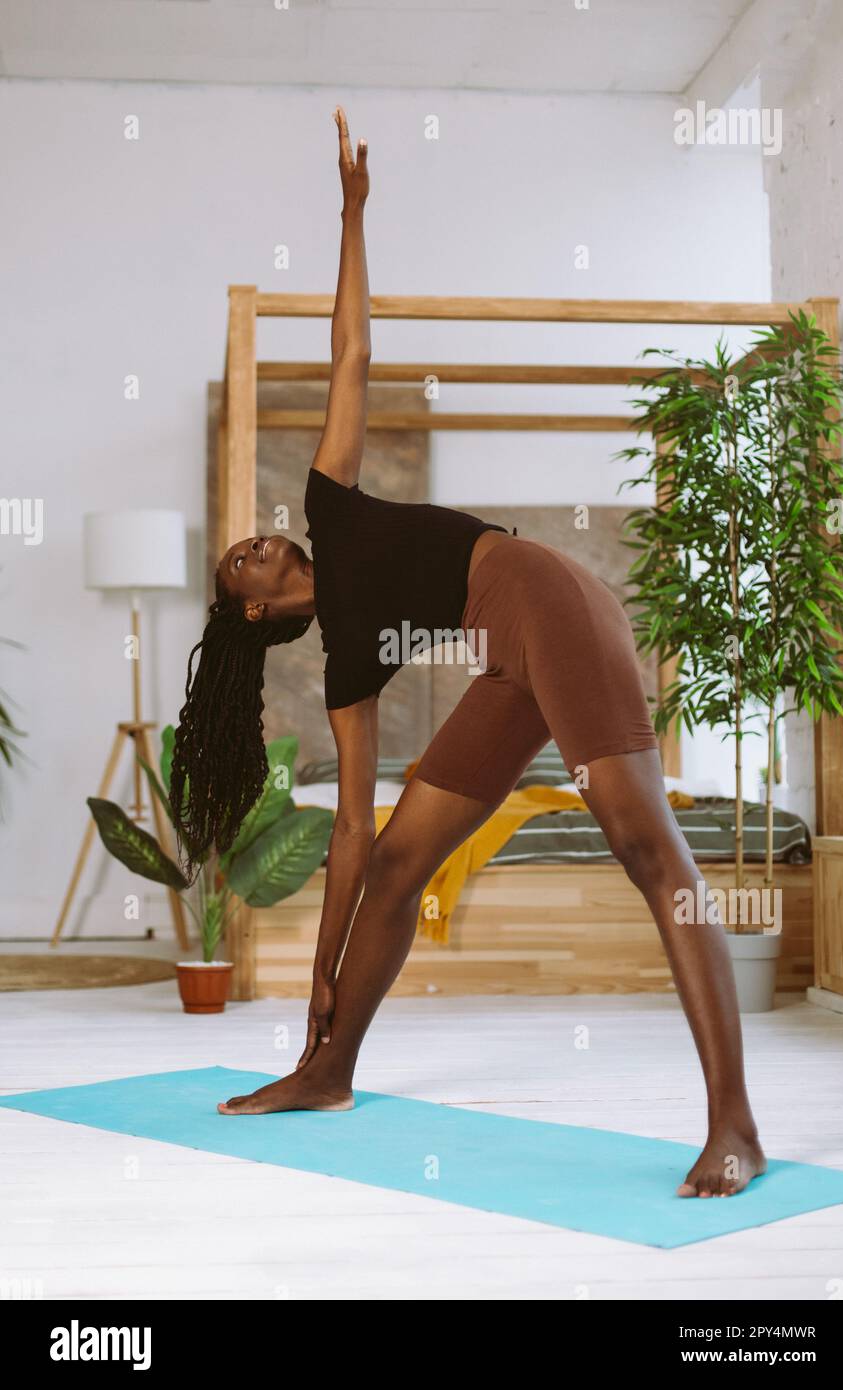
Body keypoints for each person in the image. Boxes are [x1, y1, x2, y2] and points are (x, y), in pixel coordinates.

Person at [171, 108, 766, 1199]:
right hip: (511, 665)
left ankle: (734, 1121)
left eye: (248, 541)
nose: (249, 544)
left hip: (548, 598)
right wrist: (318, 979)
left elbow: (350, 349)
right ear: (254, 614)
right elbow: (347, 832)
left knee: (649, 852)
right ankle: (327, 1068)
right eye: (234, 568)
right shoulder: (348, 662)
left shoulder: (331, 505)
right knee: (401, 854)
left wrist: (350, 216)